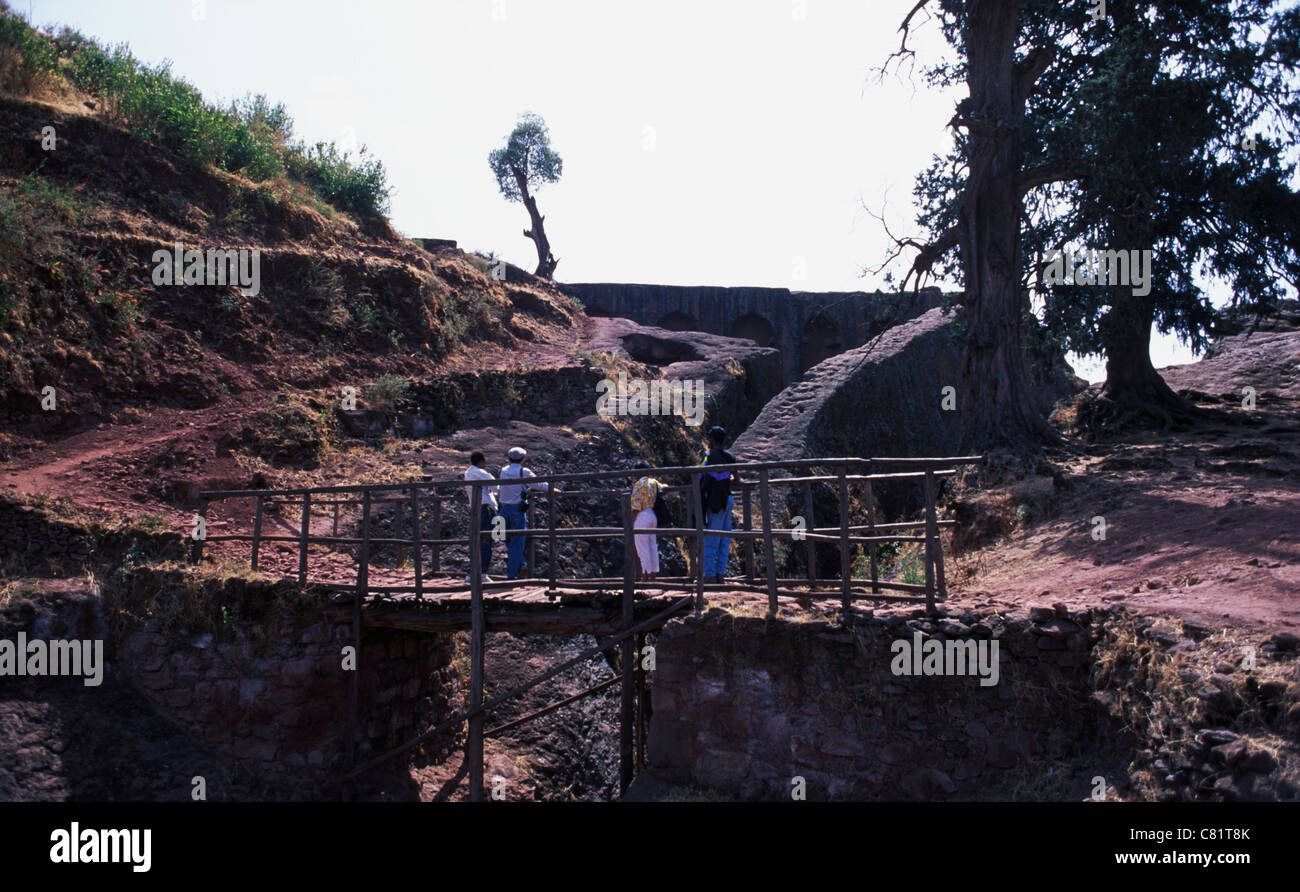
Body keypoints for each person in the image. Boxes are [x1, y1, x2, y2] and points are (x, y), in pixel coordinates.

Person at [497, 446, 552, 580]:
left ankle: (521, 564)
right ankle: (512, 575)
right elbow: (538, 484)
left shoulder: (503, 471)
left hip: (503, 509)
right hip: (517, 510)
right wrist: (552, 488)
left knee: (506, 538)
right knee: (517, 541)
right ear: (523, 459)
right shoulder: (524, 471)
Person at [698, 426, 738, 585]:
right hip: (727, 500)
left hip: (714, 502)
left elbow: (700, 476)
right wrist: (725, 480)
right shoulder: (731, 457)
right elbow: (737, 480)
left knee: (711, 539)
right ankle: (720, 574)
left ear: (712, 440)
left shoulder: (708, 456)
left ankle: (709, 575)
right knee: (724, 538)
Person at [463, 451, 498, 583]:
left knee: (478, 540)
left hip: (477, 509)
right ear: (482, 461)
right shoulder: (479, 472)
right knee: (486, 541)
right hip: (485, 509)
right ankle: (481, 573)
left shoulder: (468, 473)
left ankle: (471, 572)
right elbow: (495, 485)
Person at [629, 461, 664, 583]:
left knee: (642, 547)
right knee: (652, 546)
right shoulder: (653, 482)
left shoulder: (639, 484)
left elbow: (636, 505)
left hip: (642, 515)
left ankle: (645, 576)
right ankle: (653, 575)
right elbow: (664, 487)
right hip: (652, 514)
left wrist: (632, 520)